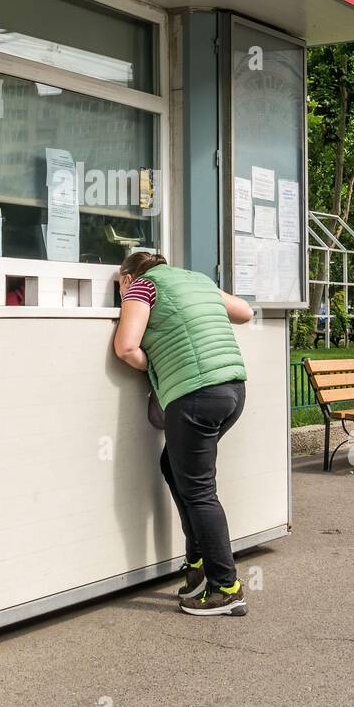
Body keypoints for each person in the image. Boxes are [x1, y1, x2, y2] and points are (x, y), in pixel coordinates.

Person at [113, 250, 254, 617]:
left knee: (200, 492)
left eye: (118, 287)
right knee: (173, 468)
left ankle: (226, 587)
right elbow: (245, 312)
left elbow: (126, 347)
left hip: (196, 398)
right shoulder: (198, 280)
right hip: (232, 391)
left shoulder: (141, 288)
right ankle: (197, 567)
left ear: (128, 278)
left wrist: (154, 359)